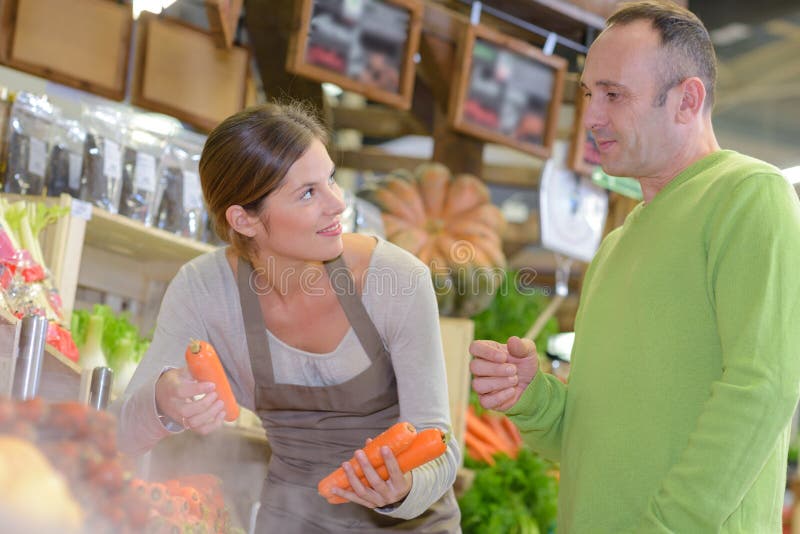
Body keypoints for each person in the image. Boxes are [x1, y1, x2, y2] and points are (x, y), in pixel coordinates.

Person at [470, 2, 800, 532]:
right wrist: (532, 398)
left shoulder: (749, 194)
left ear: (687, 100)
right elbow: (592, 442)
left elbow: (762, 389)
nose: (591, 117)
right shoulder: (615, 245)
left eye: (614, 95)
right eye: (588, 94)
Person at [113, 102, 461, 533]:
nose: (337, 203)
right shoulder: (204, 291)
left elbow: (440, 444)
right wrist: (163, 402)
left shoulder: (397, 280)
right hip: (292, 521)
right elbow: (118, 434)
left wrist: (403, 487)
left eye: (330, 178)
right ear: (244, 219)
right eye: (308, 193)